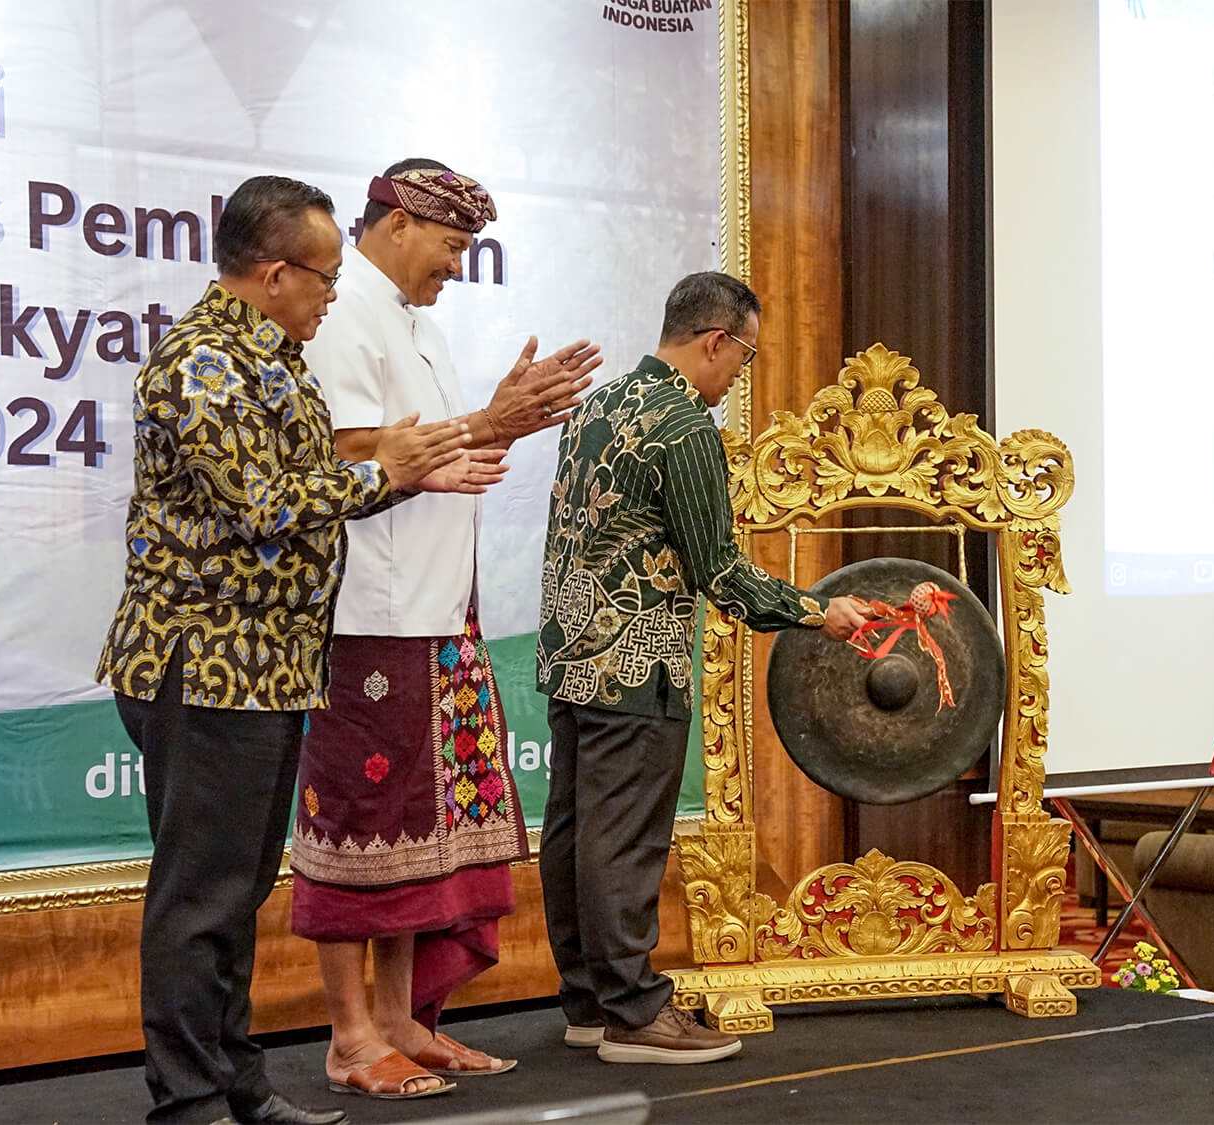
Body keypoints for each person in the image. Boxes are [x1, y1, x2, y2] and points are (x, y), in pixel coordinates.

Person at [98, 174, 494, 1125]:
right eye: (321, 278)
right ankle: (188, 1100)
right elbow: (268, 506)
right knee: (199, 899)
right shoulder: (200, 365)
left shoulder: (273, 360)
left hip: (269, 664)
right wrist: (389, 466)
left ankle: (239, 1084)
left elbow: (321, 483)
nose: (332, 293)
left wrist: (406, 471)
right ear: (272, 275)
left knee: (235, 894)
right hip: (206, 663)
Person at [290, 160, 602, 1100]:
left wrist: (500, 425)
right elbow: (340, 452)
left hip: (437, 610)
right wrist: (486, 420)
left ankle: (401, 1021)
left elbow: (433, 456)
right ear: (393, 224)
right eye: (452, 243)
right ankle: (349, 1036)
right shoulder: (342, 319)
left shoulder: (417, 324)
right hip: (366, 616)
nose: (459, 266)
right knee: (360, 825)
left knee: (420, 831)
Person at [536, 271, 871, 1063]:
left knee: (577, 831)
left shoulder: (599, 404)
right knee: (623, 841)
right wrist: (818, 611)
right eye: (743, 360)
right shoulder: (684, 427)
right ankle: (635, 1014)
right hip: (636, 665)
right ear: (715, 341)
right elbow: (720, 572)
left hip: (570, 655)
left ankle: (589, 999)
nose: (736, 380)